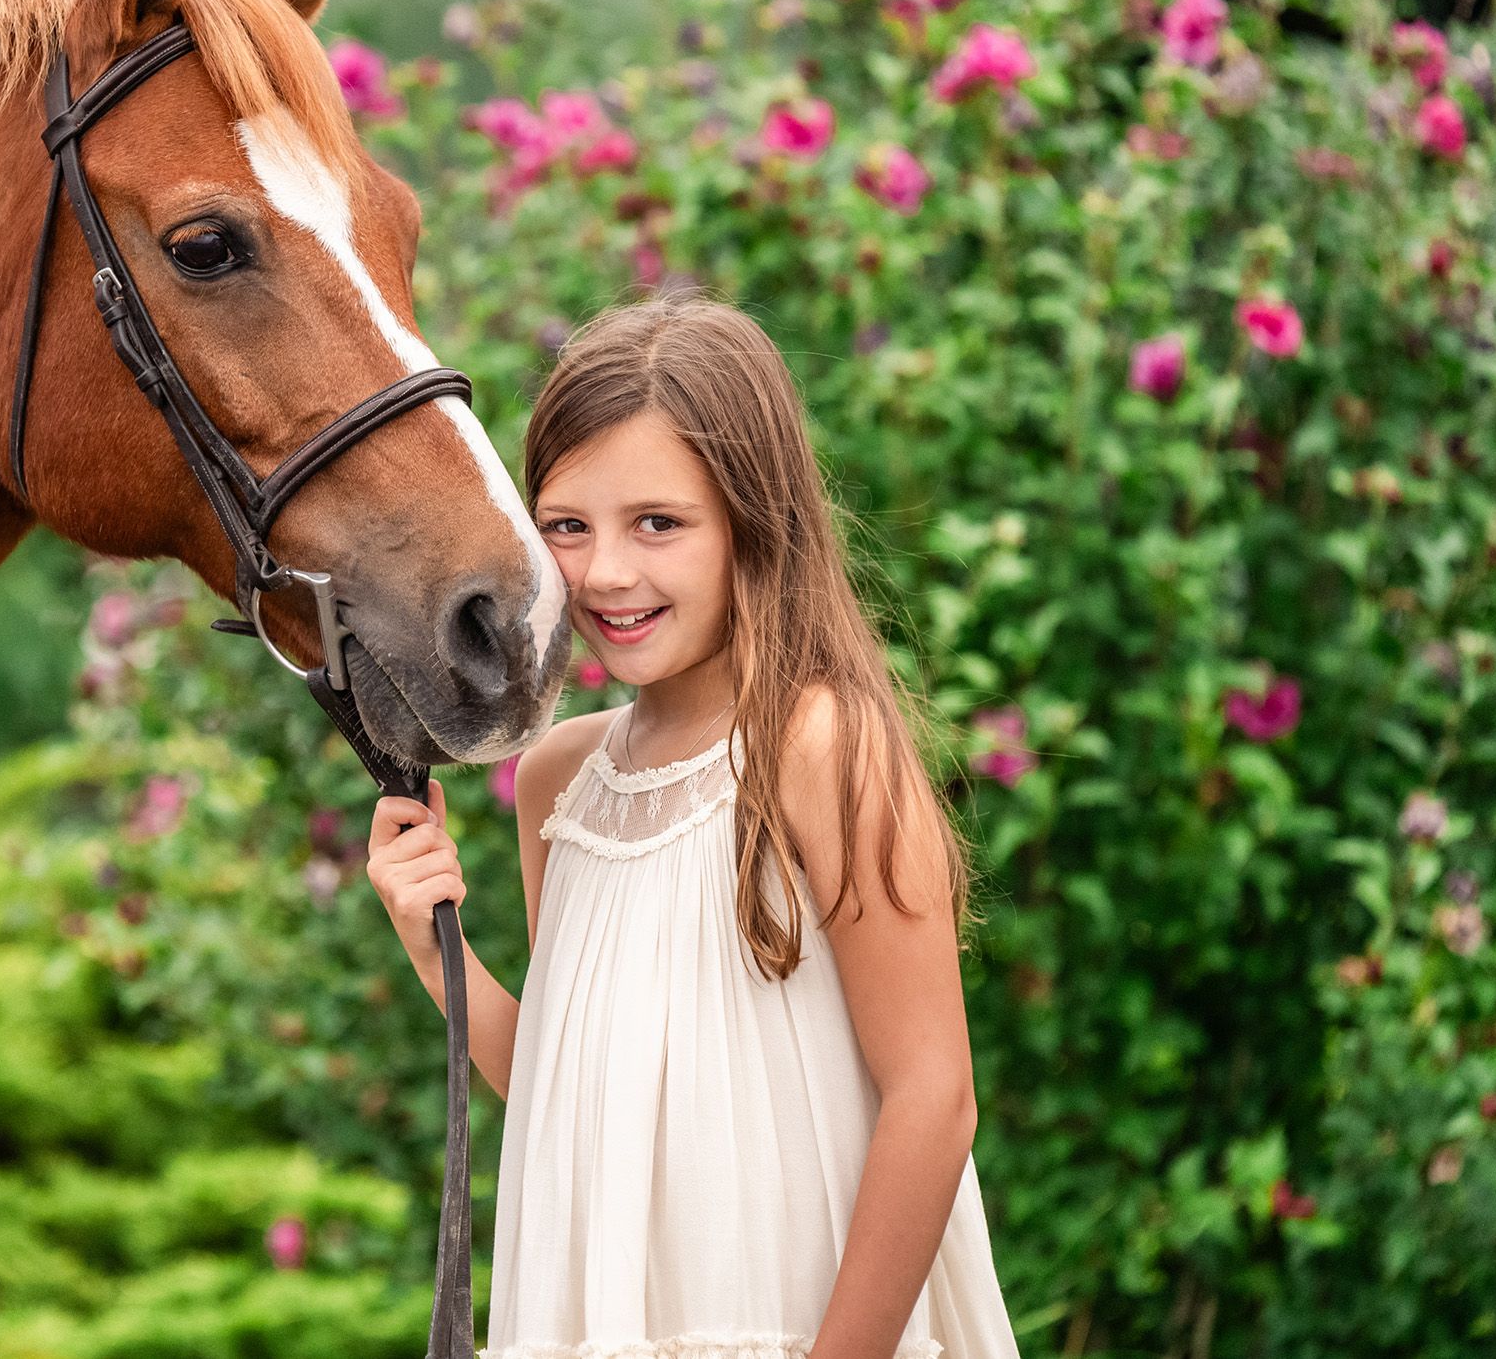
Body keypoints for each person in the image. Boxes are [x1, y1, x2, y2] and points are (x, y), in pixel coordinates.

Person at [367, 288, 1020, 1359]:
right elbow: (576, 1084)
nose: (608, 572)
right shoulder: (561, 777)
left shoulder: (818, 746)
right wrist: (434, 949)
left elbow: (932, 1095)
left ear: (753, 521)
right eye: (567, 526)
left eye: (658, 524)